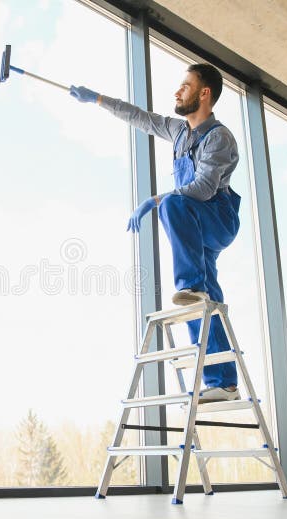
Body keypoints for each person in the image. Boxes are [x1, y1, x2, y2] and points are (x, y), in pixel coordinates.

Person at [70, 64, 241, 403]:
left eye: (185, 86)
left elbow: (204, 188)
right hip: (193, 223)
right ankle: (224, 383)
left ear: (204, 93)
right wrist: (98, 99)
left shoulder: (219, 137)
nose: (177, 91)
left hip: (216, 218)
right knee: (204, 304)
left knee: (173, 207)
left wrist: (155, 200)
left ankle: (190, 287)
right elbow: (139, 117)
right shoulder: (178, 131)